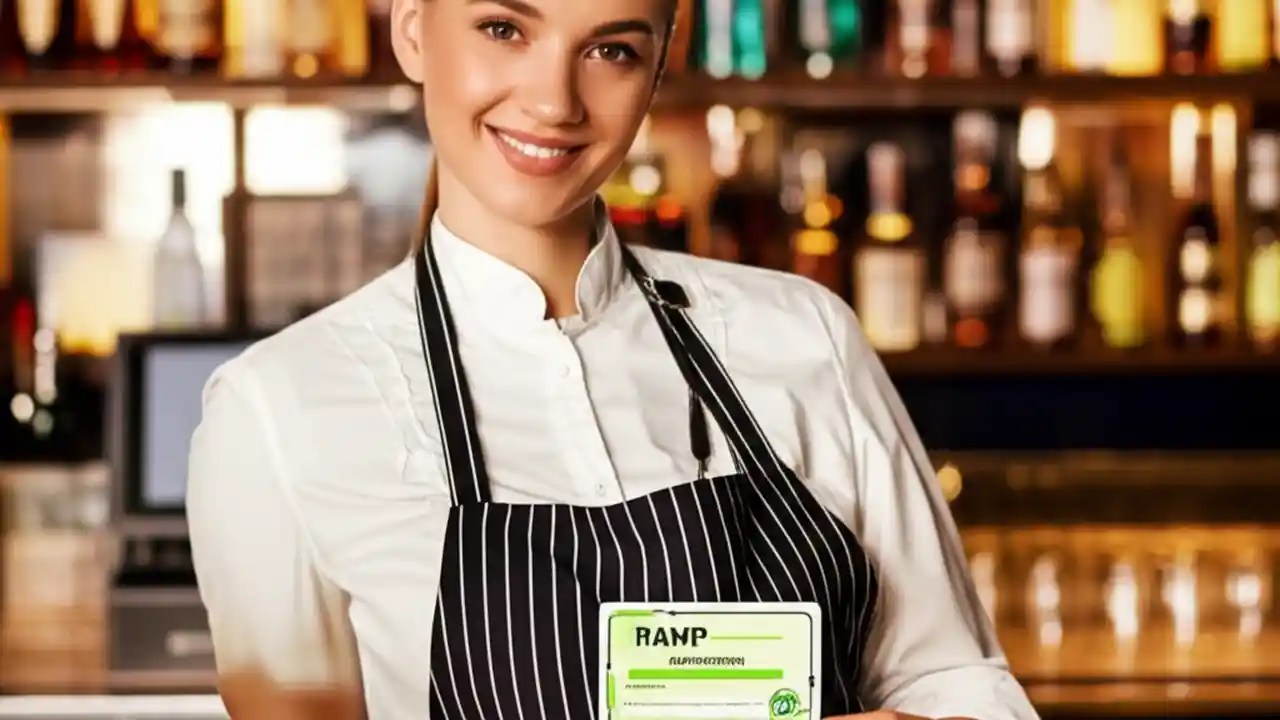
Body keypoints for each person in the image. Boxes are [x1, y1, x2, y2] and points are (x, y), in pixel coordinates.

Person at [187, 0, 1040, 718]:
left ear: (659, 70)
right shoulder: (277, 408)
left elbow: (954, 678)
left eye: (611, 50)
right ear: (412, 30)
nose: (555, 100)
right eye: (503, 29)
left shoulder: (803, 333)